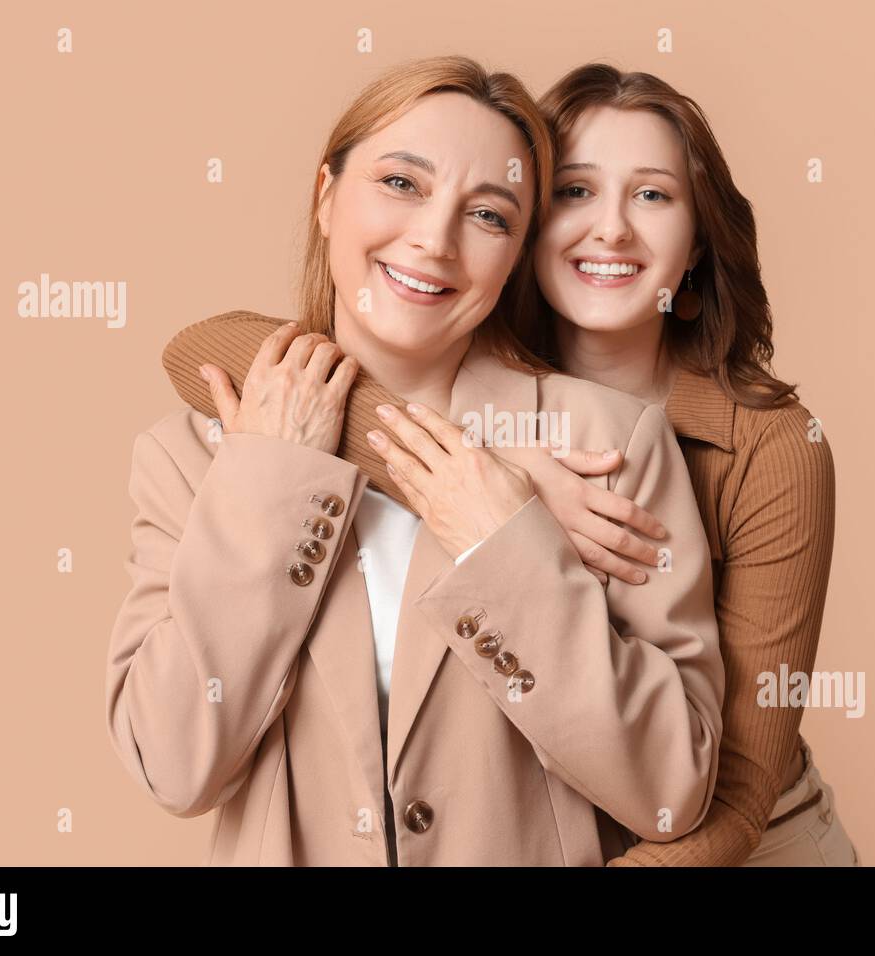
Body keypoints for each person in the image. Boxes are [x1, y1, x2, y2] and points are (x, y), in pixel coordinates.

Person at [105, 56, 724, 866]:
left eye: (490, 215)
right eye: (402, 183)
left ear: (514, 257)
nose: (433, 240)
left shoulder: (607, 447)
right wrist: (270, 479)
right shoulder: (191, 454)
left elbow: (673, 785)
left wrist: (508, 548)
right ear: (326, 197)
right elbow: (172, 765)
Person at [523, 63, 860, 866]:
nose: (610, 228)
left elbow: (739, 794)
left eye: (652, 195)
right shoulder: (465, 380)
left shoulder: (773, 446)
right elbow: (209, 350)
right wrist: (505, 466)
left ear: (699, 246)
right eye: (574, 191)